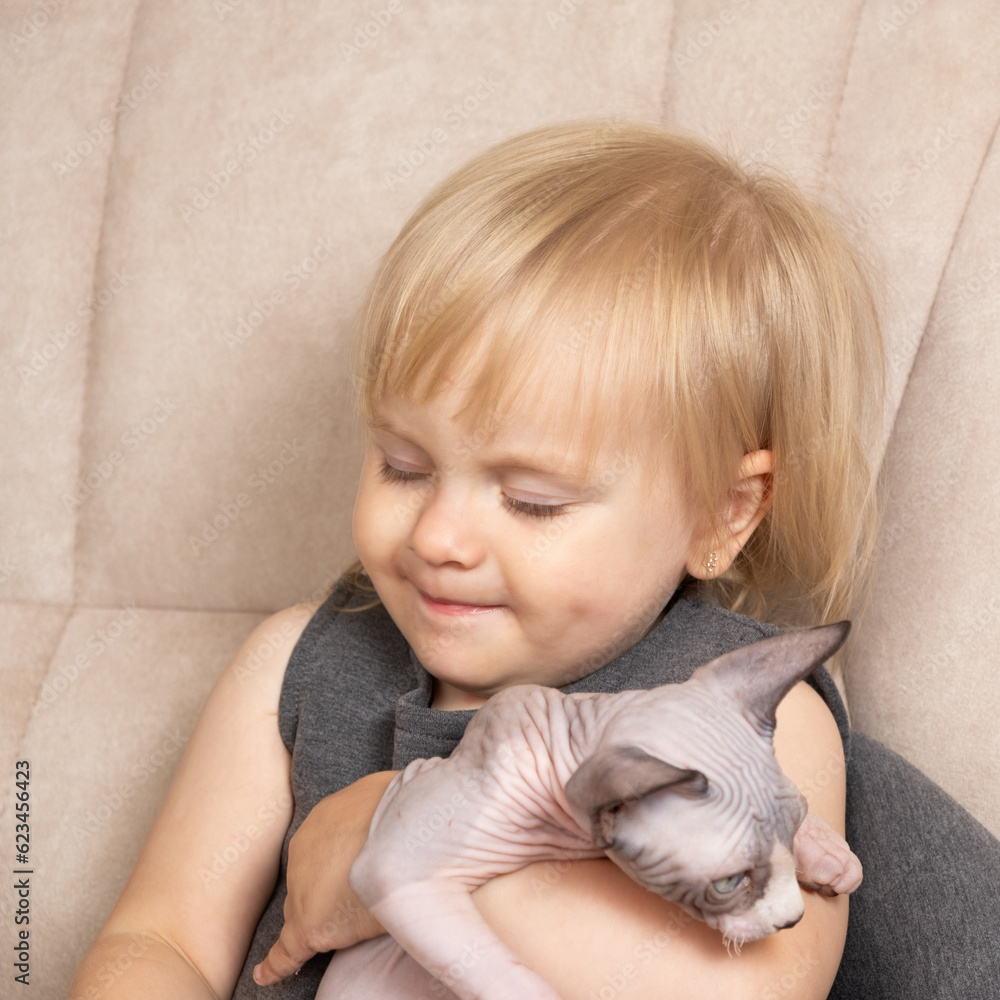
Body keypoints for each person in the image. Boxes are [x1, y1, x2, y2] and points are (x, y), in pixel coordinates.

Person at [68, 121, 999, 1000]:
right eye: (404, 465)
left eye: (532, 501)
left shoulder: (744, 717)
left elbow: (756, 980)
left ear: (725, 513)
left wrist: (388, 852)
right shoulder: (297, 670)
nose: (439, 537)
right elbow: (164, 940)